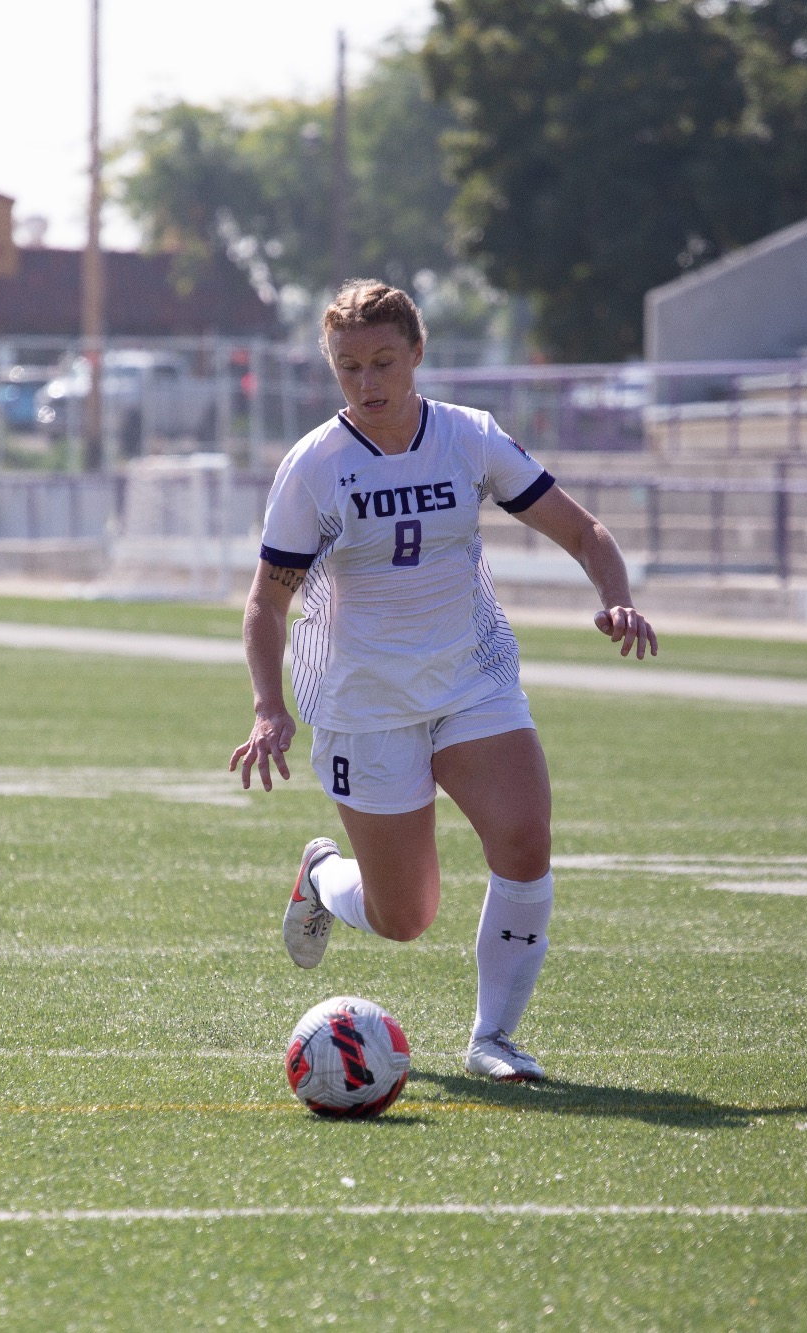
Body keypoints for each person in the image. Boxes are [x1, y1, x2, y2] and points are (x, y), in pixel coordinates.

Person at [229, 280, 657, 1082]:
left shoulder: (469, 437)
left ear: (418, 353)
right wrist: (268, 707)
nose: (368, 382)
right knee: (405, 916)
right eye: (348, 366)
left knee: (525, 841)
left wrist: (617, 598)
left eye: (384, 360)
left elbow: (583, 529)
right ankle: (322, 877)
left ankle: (495, 1038)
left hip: (472, 677)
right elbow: (266, 603)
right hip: (365, 701)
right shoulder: (315, 467)